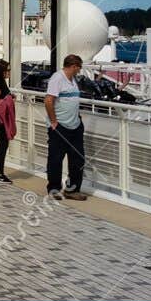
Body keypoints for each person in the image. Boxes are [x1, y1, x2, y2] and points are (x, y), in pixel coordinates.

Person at [44, 54, 87, 199]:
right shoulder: (57, 78)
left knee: (78, 159)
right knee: (56, 159)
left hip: (75, 126)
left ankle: (72, 190)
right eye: (79, 67)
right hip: (60, 127)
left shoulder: (73, 80)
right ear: (73, 66)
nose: (80, 70)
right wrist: (54, 121)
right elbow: (49, 100)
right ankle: (54, 189)